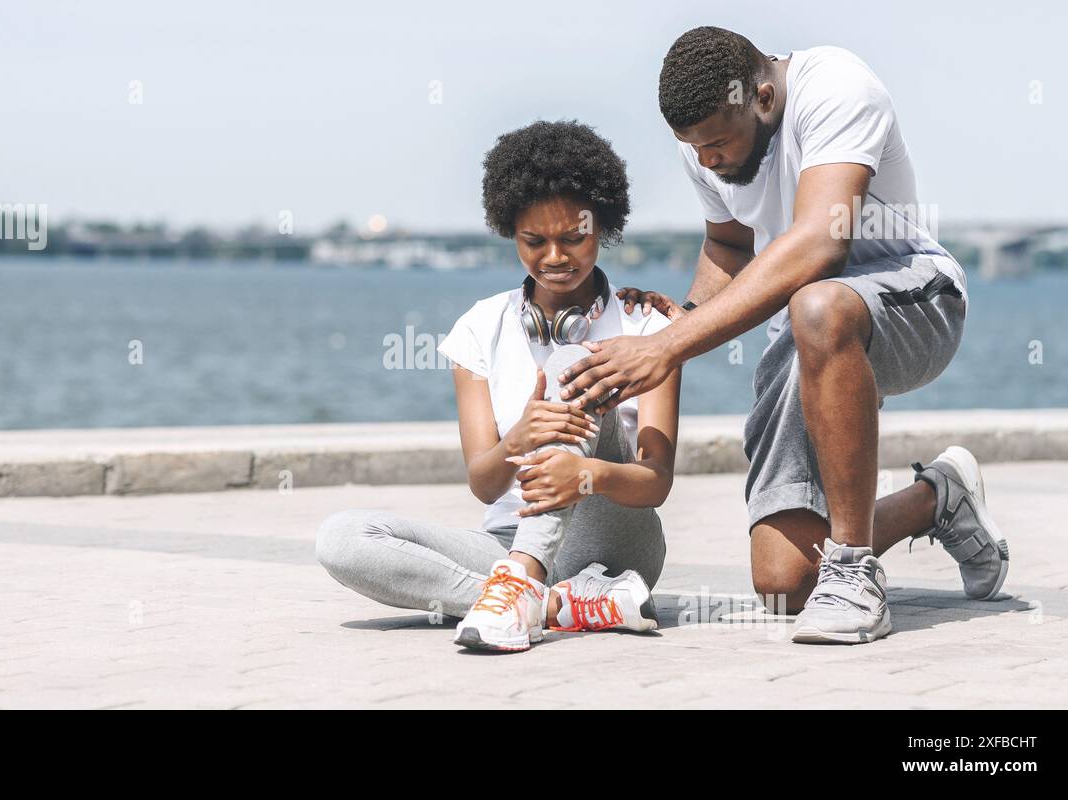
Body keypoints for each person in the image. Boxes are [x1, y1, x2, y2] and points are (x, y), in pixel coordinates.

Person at [557, 27, 1008, 644]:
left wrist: (668, 347)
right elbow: (727, 244)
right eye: (694, 148)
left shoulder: (838, 88)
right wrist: (672, 320)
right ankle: (938, 499)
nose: (707, 160)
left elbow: (823, 244)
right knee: (785, 582)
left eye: (717, 144)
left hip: (915, 301)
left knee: (818, 304)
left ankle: (854, 571)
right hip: (807, 328)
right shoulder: (706, 143)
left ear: (763, 99)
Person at [316, 120, 683, 652]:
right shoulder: (479, 328)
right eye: (534, 241)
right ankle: (554, 601)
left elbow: (657, 482)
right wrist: (517, 441)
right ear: (509, 232)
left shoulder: (647, 329)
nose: (555, 257)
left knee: (573, 362)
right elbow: (485, 485)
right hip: (504, 542)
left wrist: (589, 473)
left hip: (616, 540)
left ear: (602, 227)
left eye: (574, 238)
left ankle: (525, 590)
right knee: (344, 538)